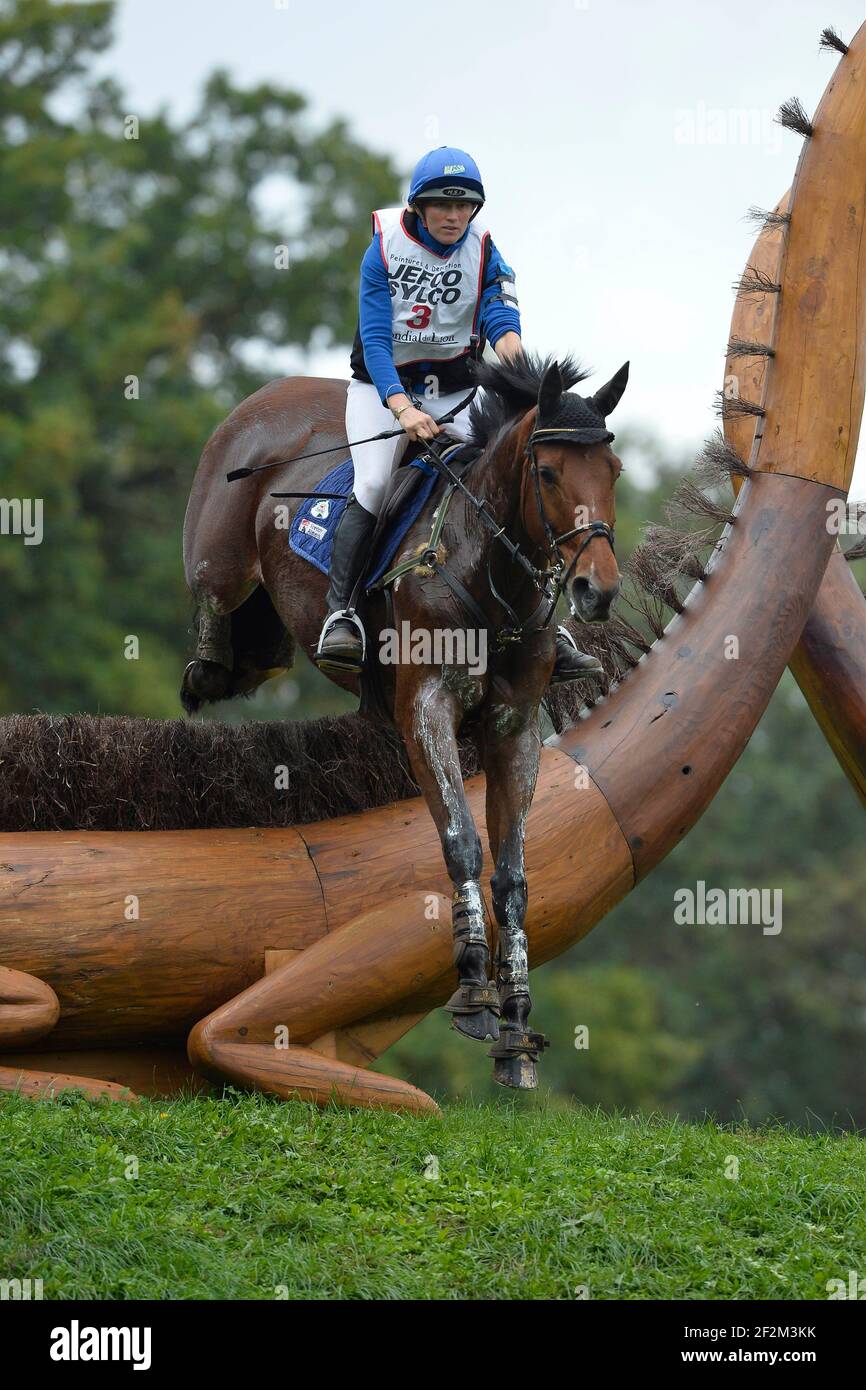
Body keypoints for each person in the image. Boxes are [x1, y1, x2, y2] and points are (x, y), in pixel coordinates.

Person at [314, 144, 604, 682]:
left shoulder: (486, 253)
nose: (453, 217)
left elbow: (500, 318)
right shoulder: (383, 249)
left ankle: (542, 620)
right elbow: (377, 340)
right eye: (442, 206)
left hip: (456, 393)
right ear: (419, 207)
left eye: (464, 206)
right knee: (375, 485)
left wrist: (523, 378)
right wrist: (402, 410)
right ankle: (342, 613)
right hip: (383, 390)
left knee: (508, 476)